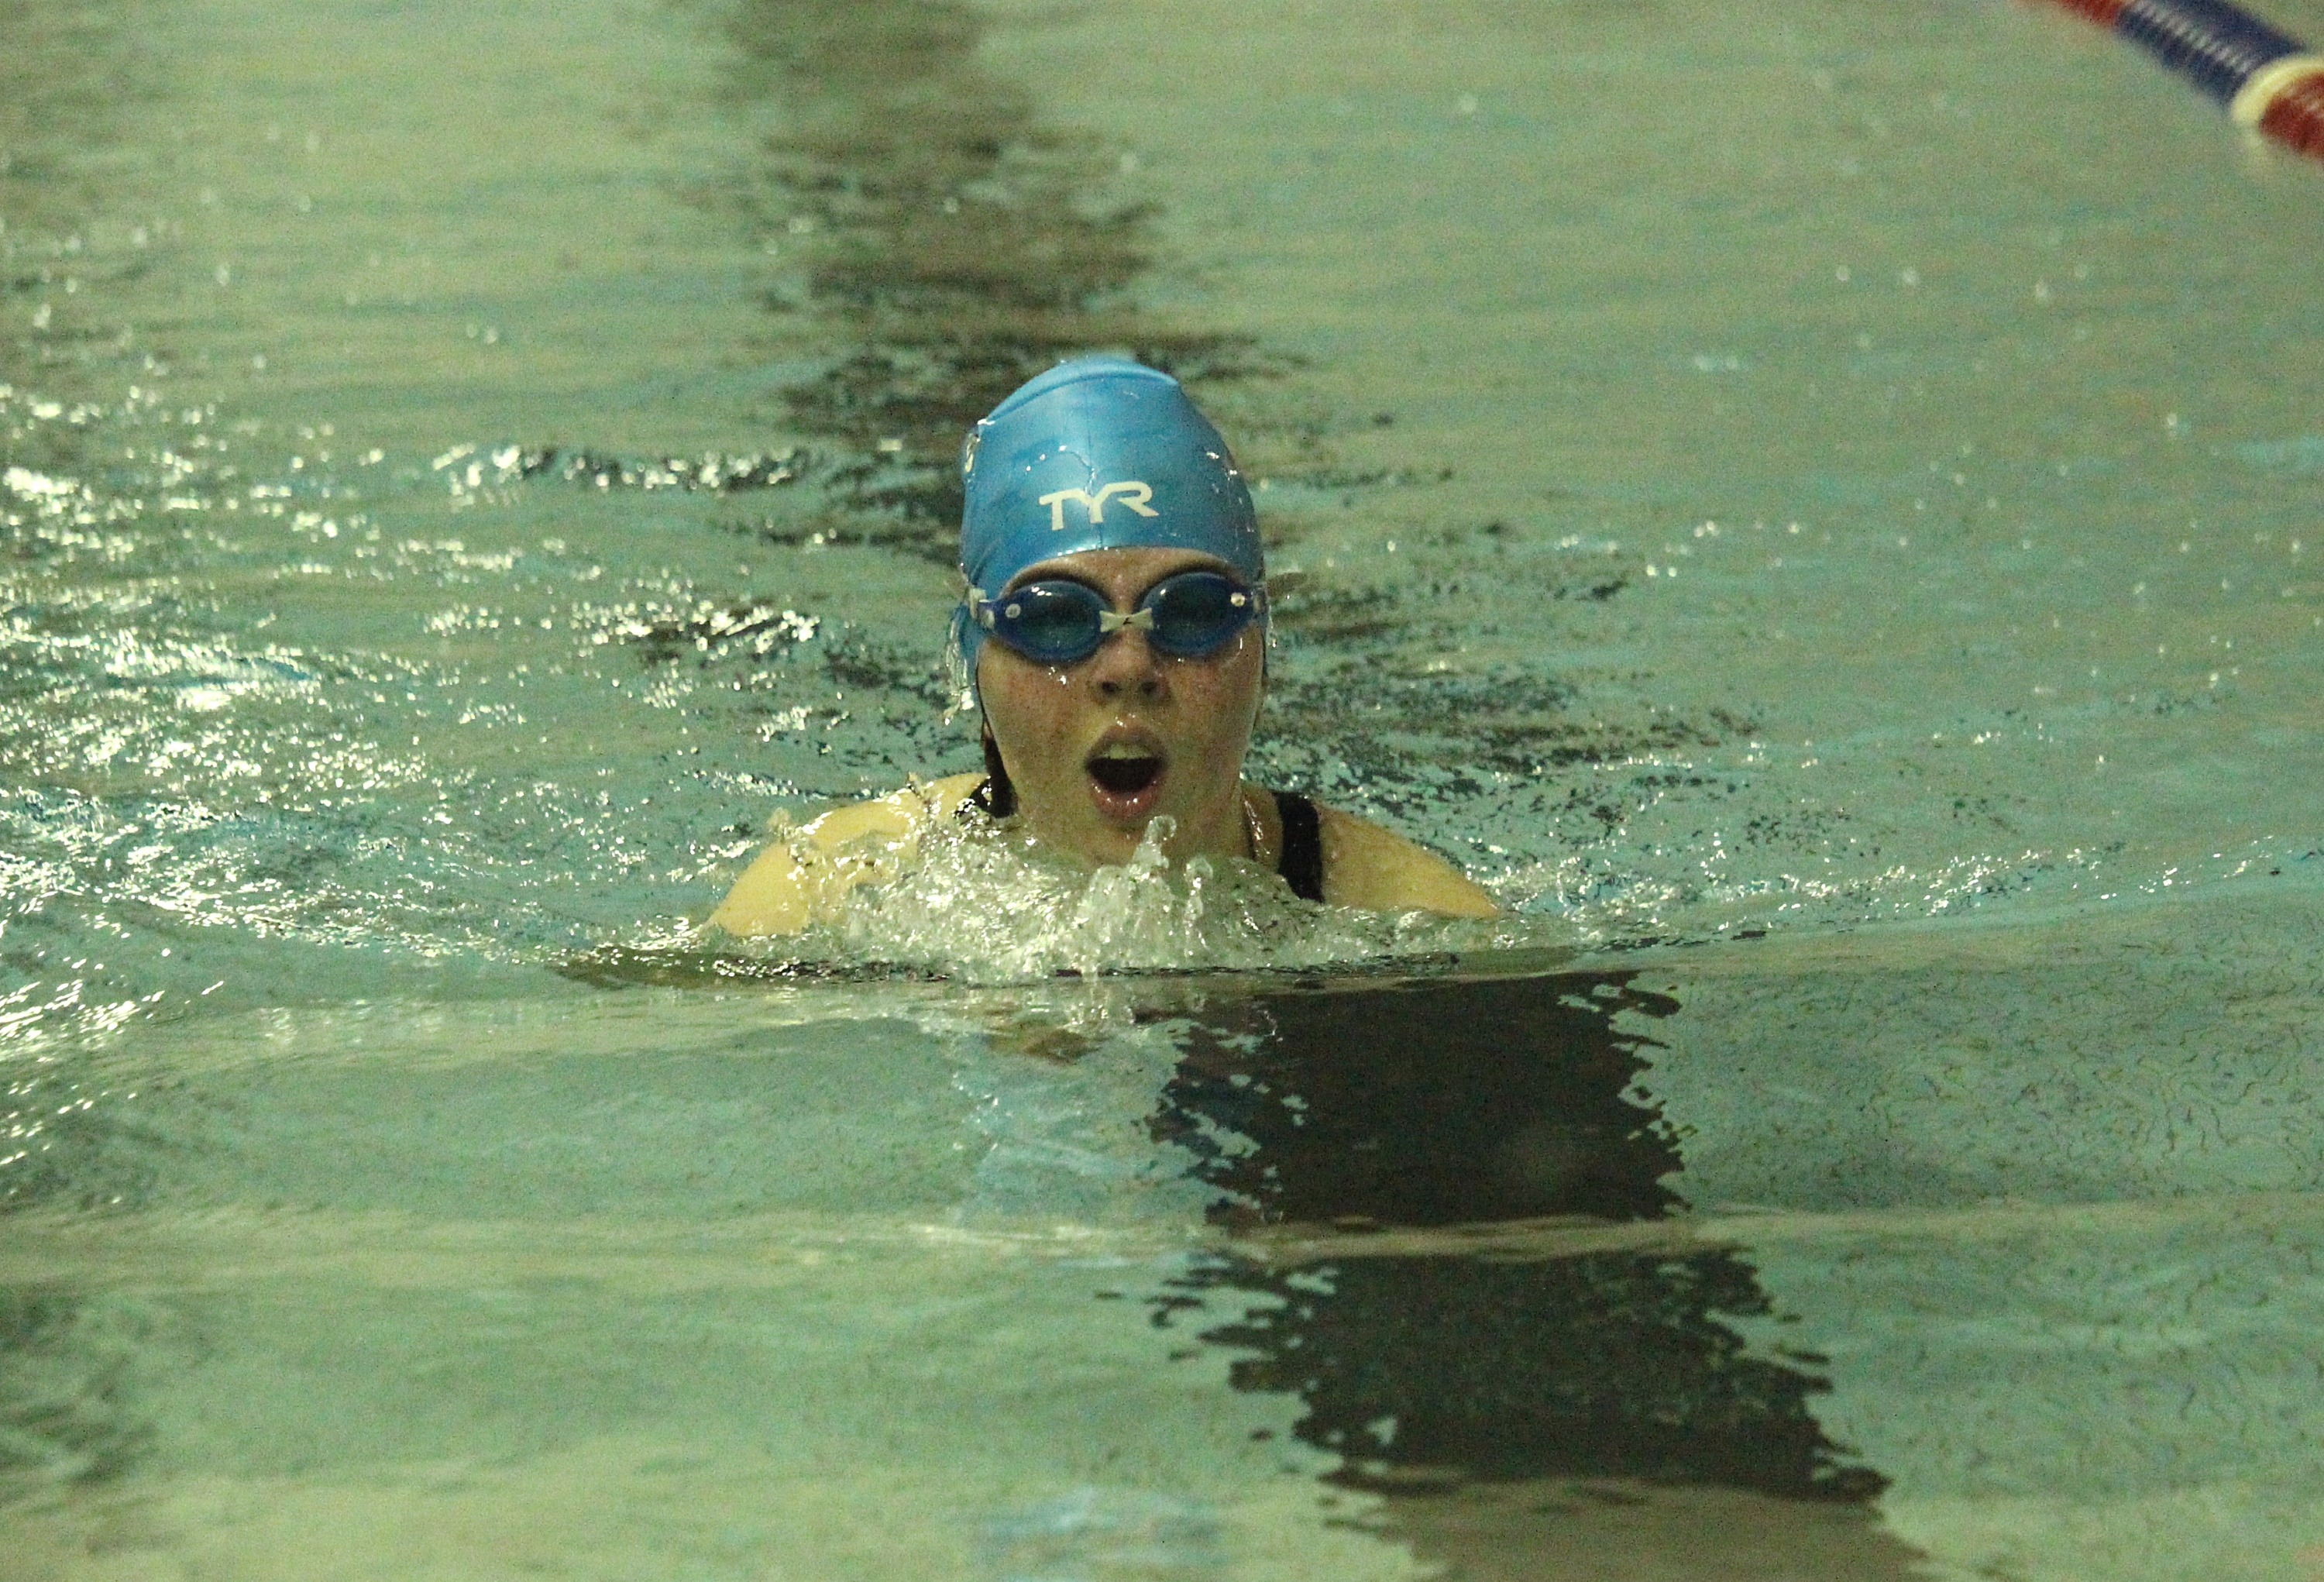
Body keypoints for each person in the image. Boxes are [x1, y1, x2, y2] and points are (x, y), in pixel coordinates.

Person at [707, 356, 1498, 937]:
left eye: (1192, 612)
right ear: (971, 661)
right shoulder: (814, 901)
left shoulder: (1417, 920)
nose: (1127, 669)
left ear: (1264, 649)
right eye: (1055, 619)